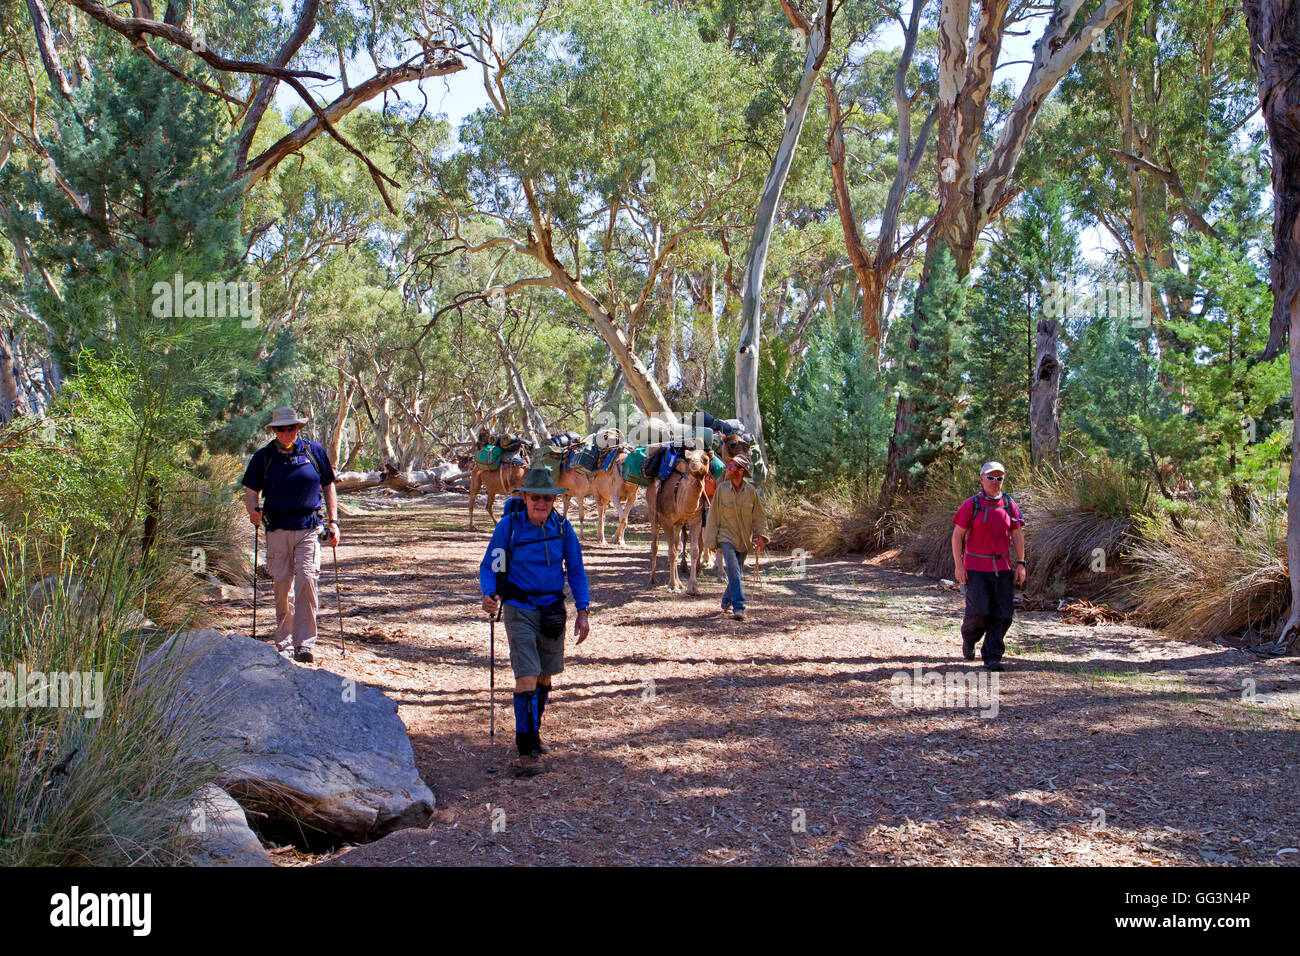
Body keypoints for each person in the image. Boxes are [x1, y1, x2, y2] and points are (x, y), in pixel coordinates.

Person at [479, 465, 591, 776]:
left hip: (552, 610)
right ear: (525, 497)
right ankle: (526, 744)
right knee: (527, 674)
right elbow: (489, 565)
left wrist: (583, 610)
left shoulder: (563, 529)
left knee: (545, 676)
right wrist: (490, 593)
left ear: (553, 500)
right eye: (534, 498)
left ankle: (534, 732)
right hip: (518, 608)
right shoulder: (509, 527)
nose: (541, 504)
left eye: (546, 499)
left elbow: (577, 571)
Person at [241, 406, 339, 664]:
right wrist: (253, 511)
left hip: (309, 527)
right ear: (274, 430)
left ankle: (304, 643)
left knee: (307, 580)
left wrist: (334, 521)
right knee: (282, 586)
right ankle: (284, 642)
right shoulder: (263, 458)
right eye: (281, 428)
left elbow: (328, 486)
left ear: (298, 428)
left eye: (291, 427)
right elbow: (251, 492)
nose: (286, 432)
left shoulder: (314, 452)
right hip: (277, 530)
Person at [950, 460, 1026, 672]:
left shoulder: (1009, 504)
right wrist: (959, 566)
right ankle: (969, 638)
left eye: (999, 478)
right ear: (981, 479)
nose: (995, 482)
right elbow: (957, 536)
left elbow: (1017, 534)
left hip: (1002, 568)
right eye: (990, 477)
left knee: (1003, 614)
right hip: (975, 567)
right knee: (978, 611)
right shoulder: (971, 505)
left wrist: (1021, 564)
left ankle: (992, 656)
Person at [701, 456, 768, 622]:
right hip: (726, 537)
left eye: (731, 466)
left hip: (744, 540)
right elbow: (713, 516)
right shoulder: (722, 489)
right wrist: (710, 541)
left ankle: (726, 600)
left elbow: (759, 515)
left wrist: (762, 536)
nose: (727, 468)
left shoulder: (751, 491)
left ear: (740, 471)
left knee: (735, 571)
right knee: (733, 569)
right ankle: (738, 607)